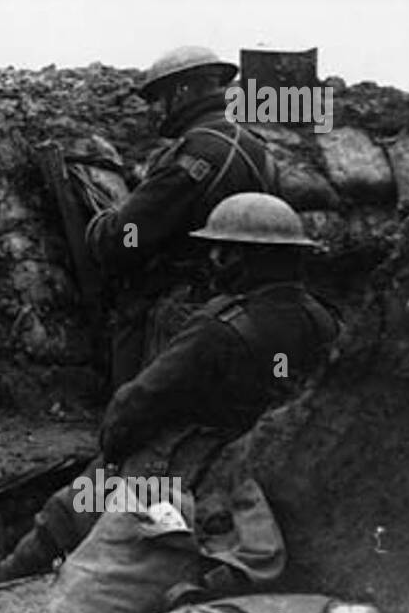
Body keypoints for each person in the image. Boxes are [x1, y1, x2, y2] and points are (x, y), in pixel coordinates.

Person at [0, 192, 340, 581]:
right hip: (266, 467)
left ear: (246, 259)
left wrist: (115, 447)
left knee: (78, 499)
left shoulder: (219, 327)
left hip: (197, 468)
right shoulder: (324, 322)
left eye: (222, 252)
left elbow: (138, 402)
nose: (213, 262)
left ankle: (3, 576)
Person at [85, 46, 281, 389]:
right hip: (247, 309)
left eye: (159, 98)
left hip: (183, 309)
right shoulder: (258, 149)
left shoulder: (193, 153)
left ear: (182, 92)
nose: (156, 111)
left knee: (138, 412)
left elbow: (124, 239)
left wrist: (101, 227)